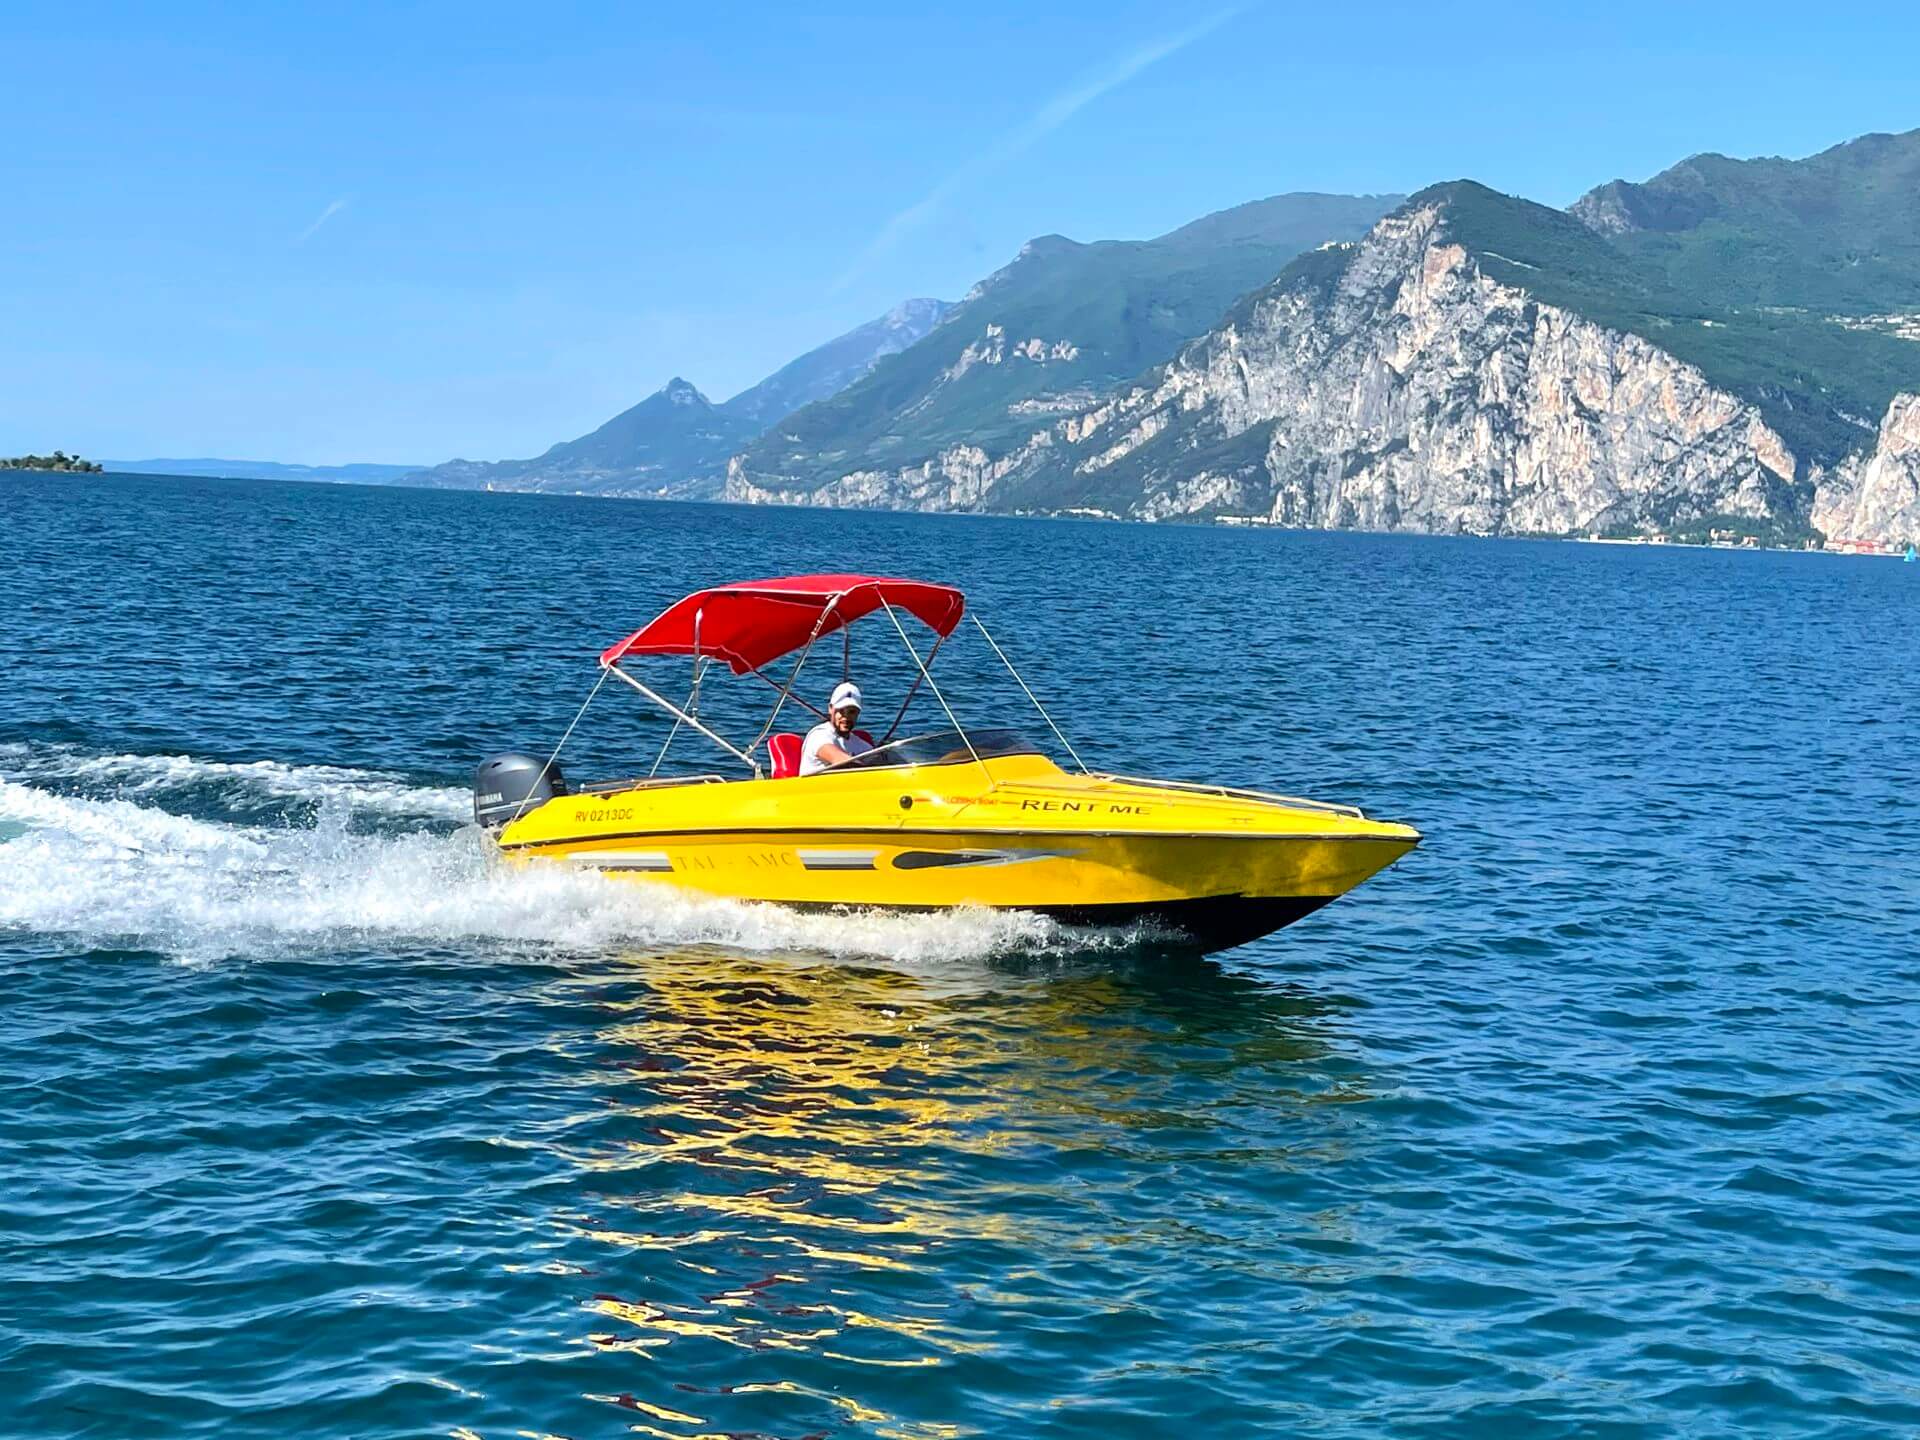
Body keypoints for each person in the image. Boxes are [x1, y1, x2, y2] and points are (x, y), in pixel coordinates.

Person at [799, 681, 874, 776]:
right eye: (841, 711)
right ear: (830, 709)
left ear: (858, 714)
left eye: (851, 712)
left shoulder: (859, 743)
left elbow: (879, 757)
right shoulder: (819, 735)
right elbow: (840, 760)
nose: (846, 717)